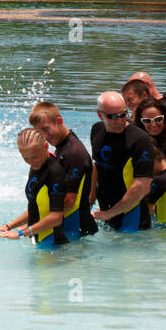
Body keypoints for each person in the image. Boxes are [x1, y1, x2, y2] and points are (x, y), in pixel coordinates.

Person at [0, 129, 69, 245]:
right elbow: (37, 207)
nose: (31, 162)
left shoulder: (55, 172)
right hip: (38, 240)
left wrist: (21, 233)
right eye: (26, 158)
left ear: (46, 146)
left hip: (53, 243)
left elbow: (56, 217)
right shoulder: (37, 167)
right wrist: (8, 226)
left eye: (34, 157)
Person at [28, 101, 97, 238]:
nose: (44, 137)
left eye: (46, 129)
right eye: (39, 132)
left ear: (59, 121)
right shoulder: (62, 146)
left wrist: (31, 227)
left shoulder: (73, 153)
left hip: (75, 232)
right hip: (65, 230)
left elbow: (68, 201)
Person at [90, 90, 155, 232]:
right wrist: (90, 199)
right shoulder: (96, 130)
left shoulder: (140, 140)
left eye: (123, 114)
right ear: (100, 115)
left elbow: (142, 186)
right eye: (112, 116)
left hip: (132, 216)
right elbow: (97, 166)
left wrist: (110, 213)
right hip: (106, 211)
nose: (119, 120)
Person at [131, 96, 166, 175]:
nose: (153, 125)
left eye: (158, 119)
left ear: (165, 118)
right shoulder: (136, 140)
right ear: (141, 122)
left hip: (165, 185)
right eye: (147, 121)